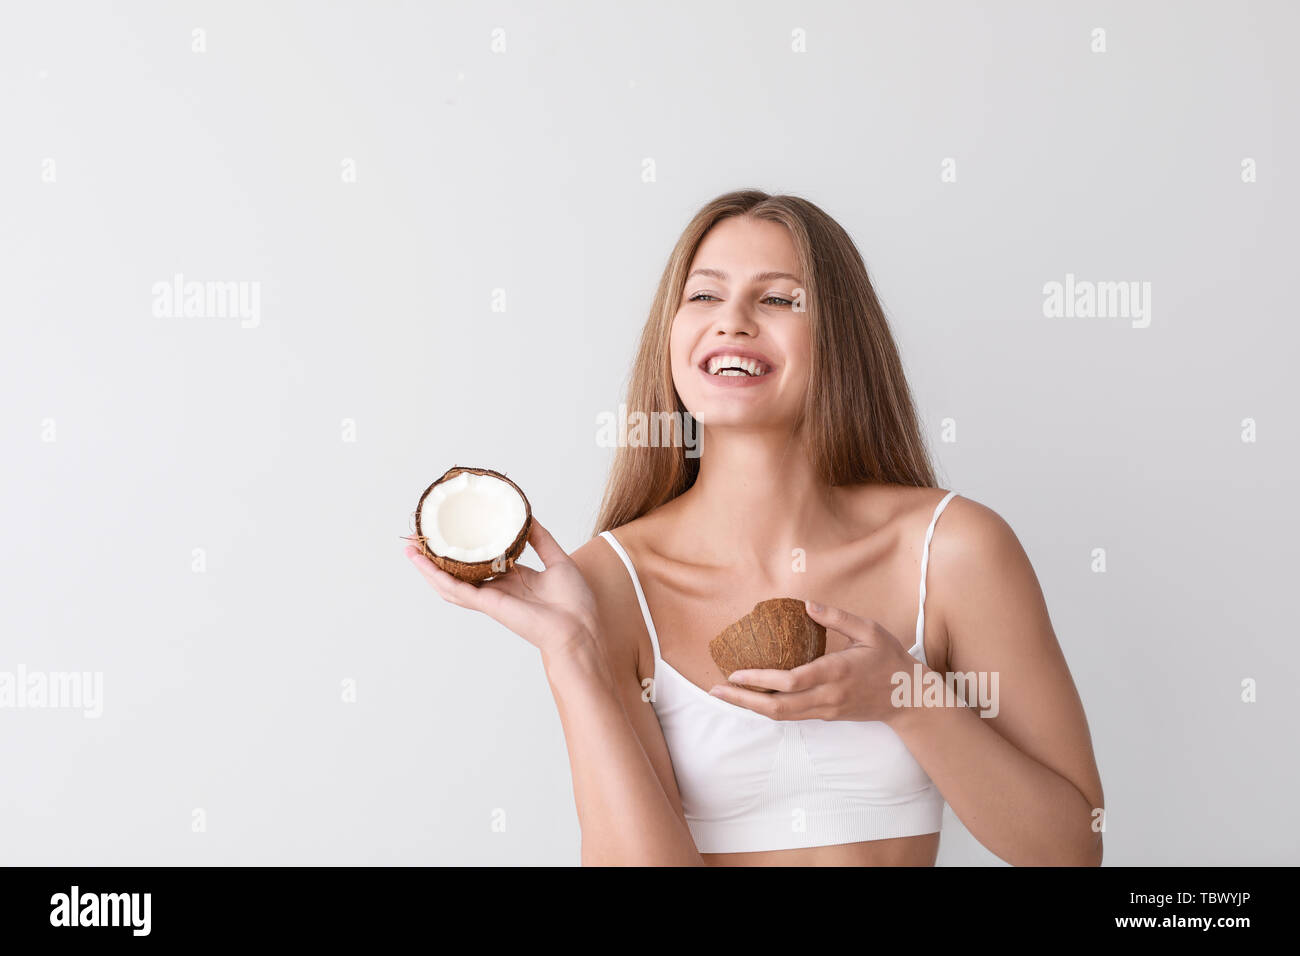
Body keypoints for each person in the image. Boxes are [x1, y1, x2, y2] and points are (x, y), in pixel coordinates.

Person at [405, 190, 1104, 866]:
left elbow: (1071, 849)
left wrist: (904, 694)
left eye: (776, 299)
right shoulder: (606, 586)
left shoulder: (954, 549)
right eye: (704, 295)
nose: (731, 320)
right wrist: (572, 654)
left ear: (840, 337)